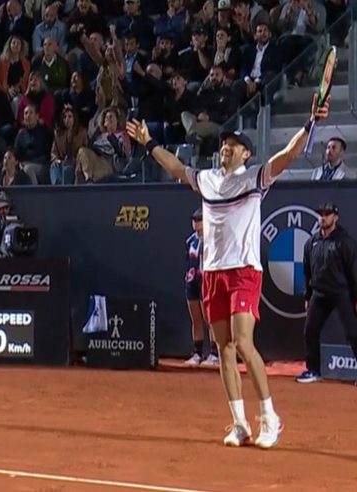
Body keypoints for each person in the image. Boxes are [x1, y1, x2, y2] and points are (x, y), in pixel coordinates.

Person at [125, 93, 330, 449]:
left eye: (234, 145)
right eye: (224, 144)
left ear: (246, 154)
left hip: (244, 272)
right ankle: (239, 423)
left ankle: (270, 417)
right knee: (223, 347)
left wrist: (310, 123)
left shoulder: (255, 178)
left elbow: (289, 155)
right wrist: (149, 142)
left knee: (243, 342)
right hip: (212, 273)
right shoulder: (206, 180)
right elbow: (175, 168)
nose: (226, 149)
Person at [297, 203, 357, 384]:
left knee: (353, 332)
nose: (323, 217)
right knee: (310, 330)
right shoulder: (311, 242)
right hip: (319, 292)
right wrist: (308, 296)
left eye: (327, 214)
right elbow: (307, 271)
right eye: (321, 214)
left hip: (341, 292)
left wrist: (355, 298)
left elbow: (354, 272)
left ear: (335, 217)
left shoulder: (345, 242)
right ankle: (313, 371)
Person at [184, 208, 219, 366]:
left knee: (209, 319)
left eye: (199, 222)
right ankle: (197, 353)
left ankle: (214, 353)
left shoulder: (213, 239)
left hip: (208, 281)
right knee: (196, 318)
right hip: (192, 281)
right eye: (195, 222)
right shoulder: (190, 241)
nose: (196, 226)